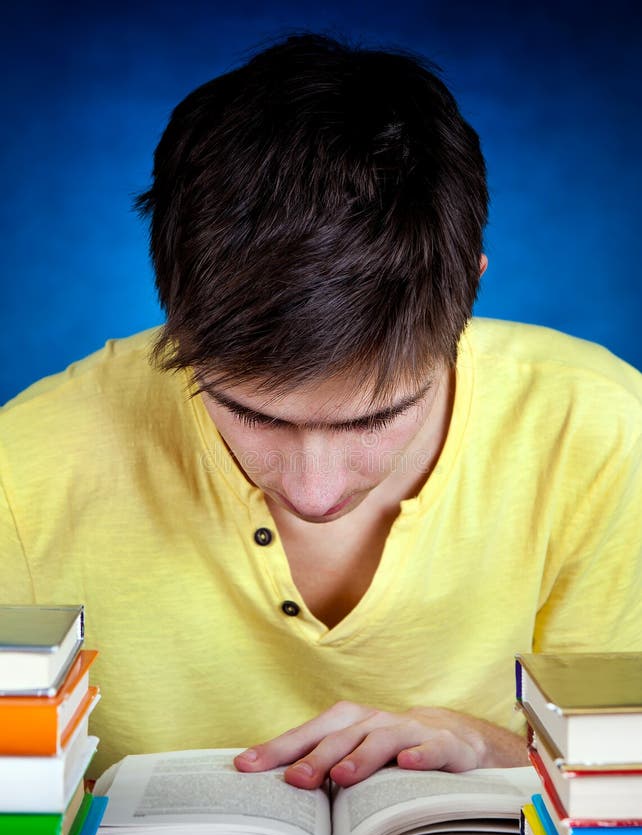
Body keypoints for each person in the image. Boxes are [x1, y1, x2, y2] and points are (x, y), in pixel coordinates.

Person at [1, 34, 641, 784]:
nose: (313, 491)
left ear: (467, 296)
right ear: (174, 311)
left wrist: (497, 753)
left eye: (373, 419)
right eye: (255, 415)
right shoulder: (24, 471)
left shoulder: (601, 431)